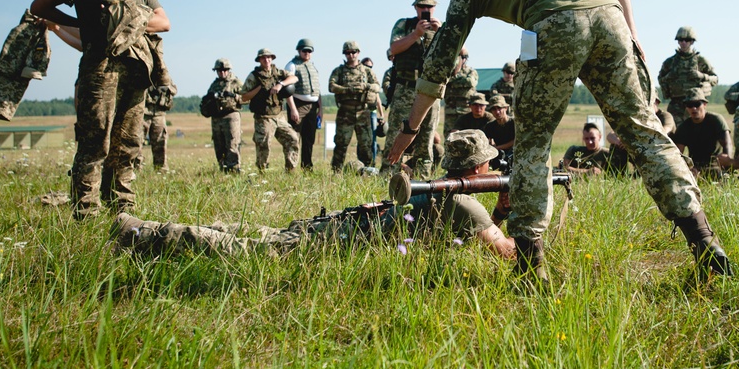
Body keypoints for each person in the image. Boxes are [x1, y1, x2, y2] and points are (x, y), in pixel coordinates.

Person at [388, 0, 731, 280]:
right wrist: (632, 32)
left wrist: (410, 128)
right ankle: (703, 239)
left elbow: (439, 63)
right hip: (610, 17)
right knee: (643, 131)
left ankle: (529, 267)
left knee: (533, 145)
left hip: (553, 21)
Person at [112, 130, 516, 260]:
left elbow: (476, 233)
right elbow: (509, 253)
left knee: (251, 234)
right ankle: (137, 233)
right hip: (333, 242)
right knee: (246, 248)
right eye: (490, 165)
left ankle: (148, 229)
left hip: (340, 228)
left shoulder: (447, 194)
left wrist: (497, 212)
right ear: (479, 168)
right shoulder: (464, 201)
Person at [29, 0, 170, 219]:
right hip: (100, 69)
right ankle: (86, 212)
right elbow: (39, 6)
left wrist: (128, 18)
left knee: (129, 142)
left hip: (137, 70)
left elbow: (165, 22)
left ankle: (123, 208)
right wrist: (81, 24)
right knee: (95, 142)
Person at [380, 0, 442, 179]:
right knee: (395, 136)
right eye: (422, 6)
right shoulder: (404, 25)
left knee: (427, 137)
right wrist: (416, 34)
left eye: (429, 6)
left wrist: (439, 34)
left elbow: (454, 63)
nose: (426, 10)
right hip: (405, 89)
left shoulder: (442, 28)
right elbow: (394, 49)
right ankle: (388, 176)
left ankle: (422, 179)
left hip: (430, 90)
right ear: (415, 7)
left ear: (434, 7)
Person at [239, 48, 300, 172]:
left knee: (293, 138)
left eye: (268, 57)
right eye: (263, 58)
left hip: (279, 115)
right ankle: (262, 172)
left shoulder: (277, 72)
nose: (266, 60)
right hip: (263, 118)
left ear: (272, 58)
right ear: (259, 60)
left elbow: (294, 78)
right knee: (264, 145)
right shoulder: (254, 76)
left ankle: (290, 170)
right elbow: (243, 97)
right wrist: (259, 89)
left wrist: (280, 84)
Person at [328, 40, 382, 171]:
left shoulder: (366, 71)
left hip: (363, 112)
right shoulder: (339, 71)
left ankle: (368, 171)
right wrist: (346, 89)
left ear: (358, 53)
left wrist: (366, 86)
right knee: (341, 143)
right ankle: (336, 171)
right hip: (345, 112)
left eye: (353, 52)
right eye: (347, 53)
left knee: (365, 145)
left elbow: (377, 86)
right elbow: (331, 86)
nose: (351, 55)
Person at [657, 27, 718, 126]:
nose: (683, 42)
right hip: (676, 105)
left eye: (687, 40)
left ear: (692, 42)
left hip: (695, 105)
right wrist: (669, 76)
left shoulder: (700, 61)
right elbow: (660, 80)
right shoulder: (670, 62)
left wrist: (702, 76)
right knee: (674, 134)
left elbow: (715, 79)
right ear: (678, 42)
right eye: (681, 40)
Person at [606, 96, 675, 177]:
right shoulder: (638, 118)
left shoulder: (665, 116)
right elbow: (610, 135)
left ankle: (640, 176)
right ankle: (614, 177)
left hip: (661, 151)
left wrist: (634, 141)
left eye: (649, 102)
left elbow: (665, 131)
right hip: (641, 148)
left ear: (657, 102)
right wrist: (621, 142)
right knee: (616, 146)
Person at [672, 89, 732, 178]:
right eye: (690, 105)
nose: (694, 108)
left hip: (716, 165)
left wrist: (727, 167)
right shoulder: (684, 127)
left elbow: (728, 145)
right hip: (695, 168)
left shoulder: (716, 120)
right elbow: (677, 154)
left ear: (704, 104)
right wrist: (686, 169)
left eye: (697, 104)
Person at [284, 38, 323, 170]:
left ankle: (307, 167)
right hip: (298, 105)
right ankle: (291, 168)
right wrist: (293, 109)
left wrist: (320, 109)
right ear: (299, 50)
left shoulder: (313, 67)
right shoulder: (292, 65)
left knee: (309, 139)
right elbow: (287, 90)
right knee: (294, 139)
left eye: (309, 51)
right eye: (304, 50)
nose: (307, 53)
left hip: (312, 107)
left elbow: (318, 90)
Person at [203, 58, 243, 172]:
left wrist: (233, 96)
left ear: (229, 70)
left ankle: (234, 169)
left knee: (232, 143)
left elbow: (246, 98)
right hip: (216, 117)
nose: (222, 72)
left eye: (225, 70)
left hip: (231, 116)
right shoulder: (214, 85)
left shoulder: (236, 82)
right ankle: (223, 168)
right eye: (219, 70)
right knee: (218, 145)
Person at [134, 82, 176, 172]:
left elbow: (174, 89)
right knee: (137, 141)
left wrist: (165, 88)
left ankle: (161, 169)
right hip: (142, 111)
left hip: (159, 113)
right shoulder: (142, 71)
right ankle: (136, 168)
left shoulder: (162, 74)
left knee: (160, 141)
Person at [442, 47, 479, 136]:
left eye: (459, 57)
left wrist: (454, 80)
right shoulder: (448, 71)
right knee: (449, 135)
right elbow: (445, 81)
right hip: (451, 110)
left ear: (465, 59)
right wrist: (461, 80)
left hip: (465, 110)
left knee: (466, 136)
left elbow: (470, 82)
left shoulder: (471, 71)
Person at [483, 94, 515, 167]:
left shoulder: (514, 123)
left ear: (506, 108)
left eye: (499, 108)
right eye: (494, 109)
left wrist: (497, 147)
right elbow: (485, 142)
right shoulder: (490, 126)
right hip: (499, 156)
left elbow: (516, 141)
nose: (497, 112)